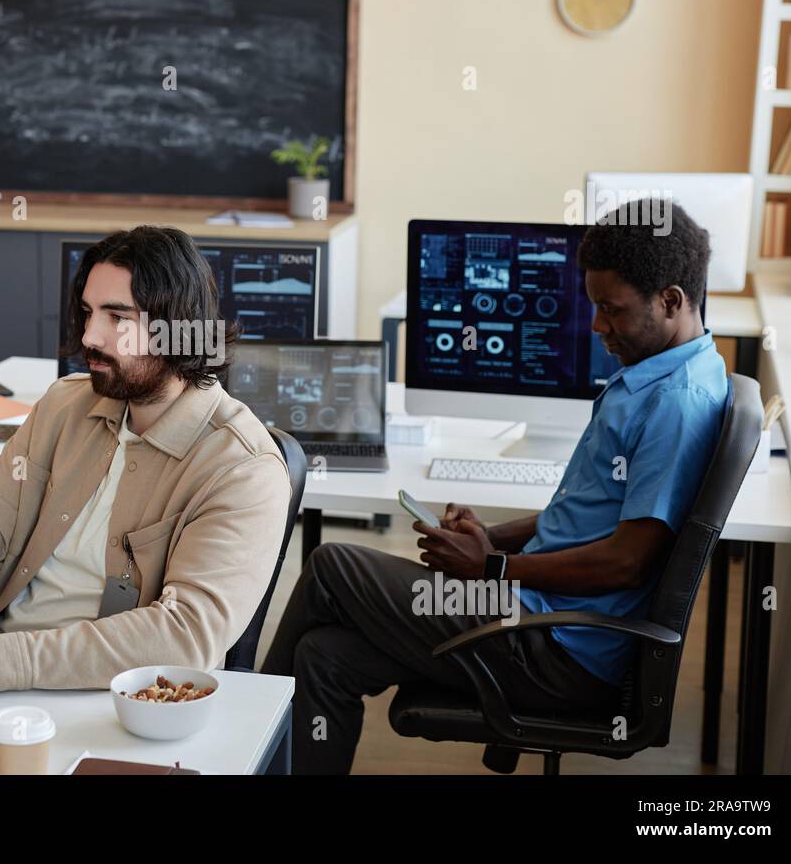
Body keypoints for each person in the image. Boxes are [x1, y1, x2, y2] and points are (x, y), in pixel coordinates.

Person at [262, 200, 729, 774]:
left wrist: (492, 569)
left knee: (333, 565)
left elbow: (629, 562)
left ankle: (240, 737)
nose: (598, 327)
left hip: (553, 647)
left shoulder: (676, 404)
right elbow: (587, 512)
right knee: (323, 657)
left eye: (612, 310)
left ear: (672, 301)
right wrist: (492, 538)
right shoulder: (672, 372)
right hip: (533, 617)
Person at [0, 225, 291, 693]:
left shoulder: (244, 469)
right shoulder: (66, 404)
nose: (89, 336)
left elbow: (185, 636)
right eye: (87, 312)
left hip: (104, 696)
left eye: (117, 317)